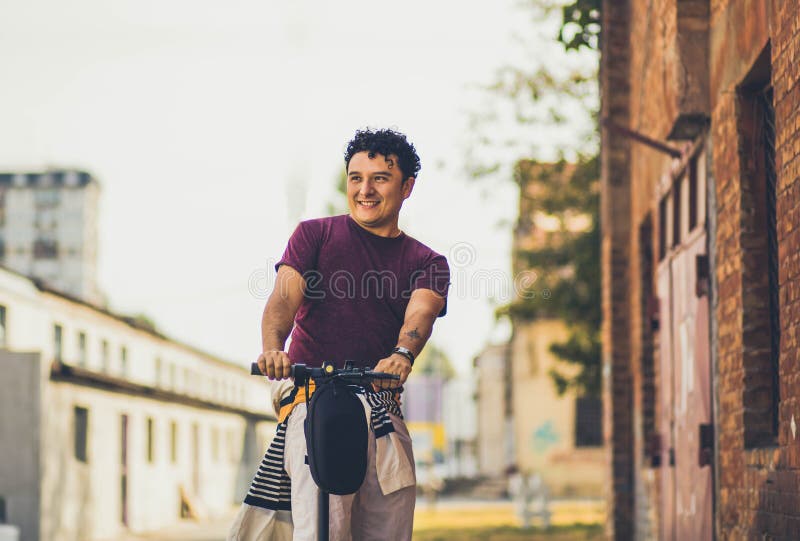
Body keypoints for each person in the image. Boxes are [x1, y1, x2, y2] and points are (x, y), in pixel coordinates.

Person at [227, 128, 450, 541]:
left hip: (382, 404)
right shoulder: (315, 235)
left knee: (390, 528)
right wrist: (273, 349)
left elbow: (421, 311)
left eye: (379, 178)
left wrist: (403, 353)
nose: (365, 189)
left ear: (407, 187)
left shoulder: (427, 261)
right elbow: (283, 298)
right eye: (355, 178)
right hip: (317, 401)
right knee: (322, 530)